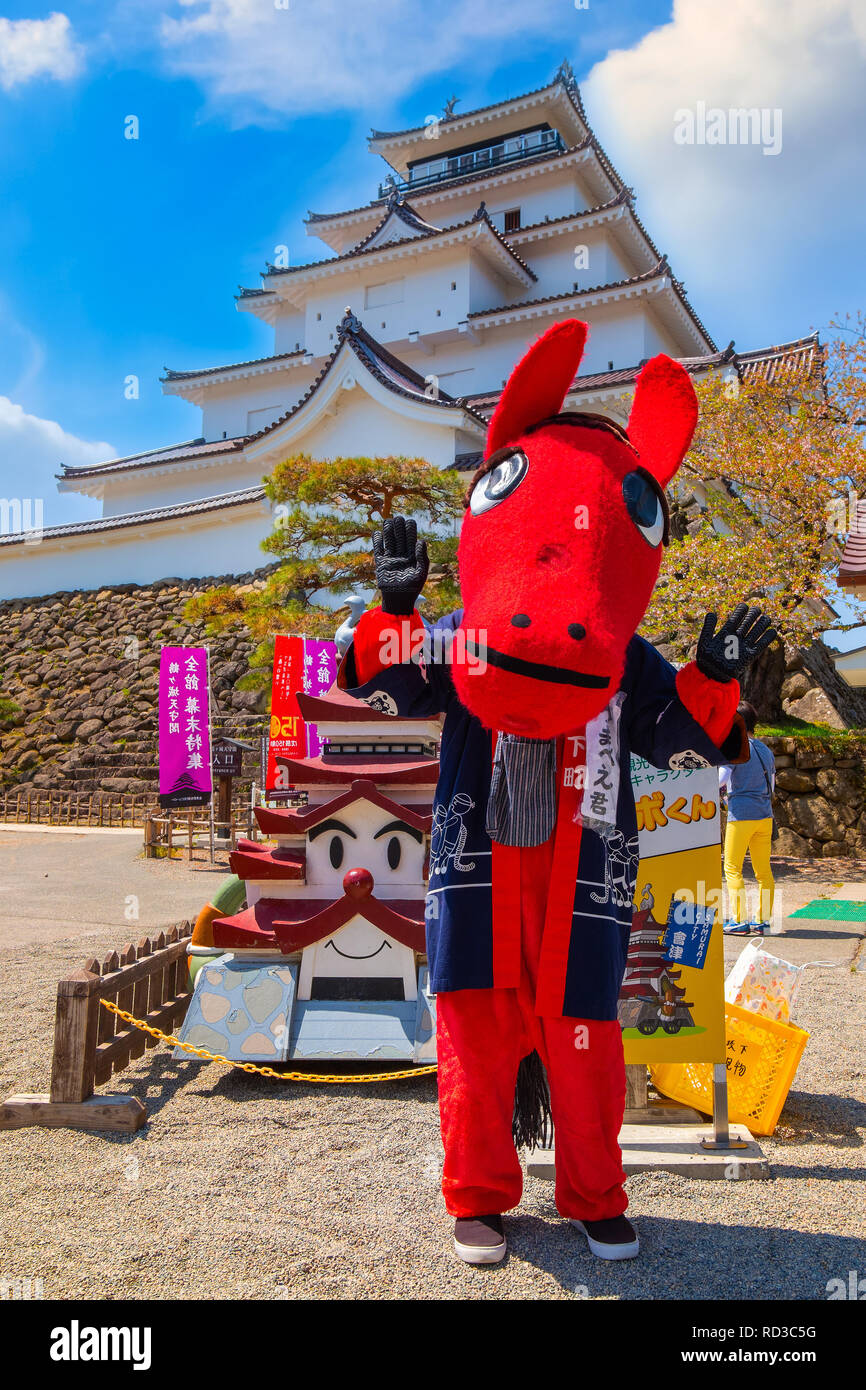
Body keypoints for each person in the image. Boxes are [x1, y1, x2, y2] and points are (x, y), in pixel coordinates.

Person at [719, 701, 776, 934]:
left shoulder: (735, 747)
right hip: (765, 816)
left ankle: (738, 920)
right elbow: (771, 784)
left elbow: (720, 780)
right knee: (764, 871)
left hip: (740, 815)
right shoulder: (766, 750)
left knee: (732, 867)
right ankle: (762, 921)